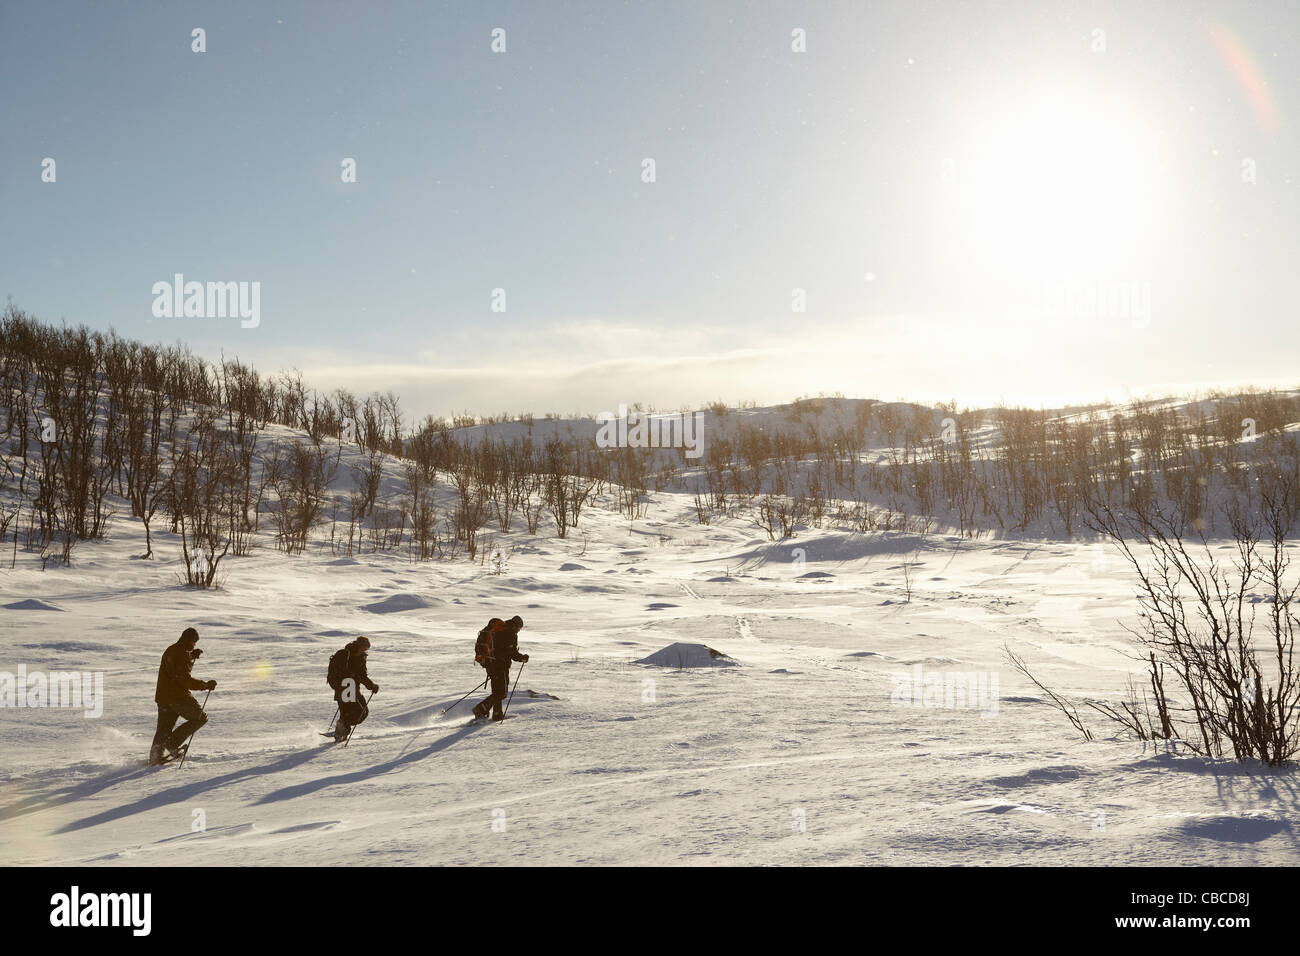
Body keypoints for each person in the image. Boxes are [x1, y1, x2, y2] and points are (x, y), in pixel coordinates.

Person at [150, 627, 216, 764]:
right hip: (178, 697)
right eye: (194, 642)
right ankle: (172, 743)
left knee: (163, 729)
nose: (194, 645)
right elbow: (184, 679)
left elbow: (175, 667)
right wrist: (205, 685)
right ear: (189, 640)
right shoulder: (182, 654)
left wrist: (191, 656)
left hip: (163, 697)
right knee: (200, 718)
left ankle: (155, 757)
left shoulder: (172, 649)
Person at [473, 616, 528, 722]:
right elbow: (512, 653)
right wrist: (523, 658)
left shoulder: (500, 629)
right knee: (501, 692)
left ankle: (497, 715)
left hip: (490, 663)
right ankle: (481, 709)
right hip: (499, 665)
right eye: (520, 628)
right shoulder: (509, 633)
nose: (519, 631)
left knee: (497, 690)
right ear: (517, 626)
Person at [328, 636, 379, 742]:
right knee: (355, 711)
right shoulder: (345, 654)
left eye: (367, 648)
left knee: (362, 712)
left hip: (352, 688)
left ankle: (341, 728)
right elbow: (341, 672)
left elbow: (362, 675)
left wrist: (371, 686)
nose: (364, 650)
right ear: (358, 645)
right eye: (364, 647)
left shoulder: (361, 657)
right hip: (344, 687)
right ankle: (341, 731)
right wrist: (350, 676)